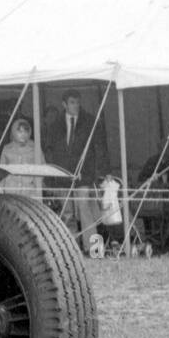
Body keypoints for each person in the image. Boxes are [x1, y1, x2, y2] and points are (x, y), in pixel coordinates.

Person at [43, 88, 110, 247]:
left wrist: (102, 173)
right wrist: (53, 174)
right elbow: (49, 150)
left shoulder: (91, 122)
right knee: (67, 214)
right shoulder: (54, 125)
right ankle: (72, 250)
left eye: (78, 102)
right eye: (72, 103)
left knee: (85, 208)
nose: (76, 106)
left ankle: (94, 250)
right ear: (64, 104)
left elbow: (100, 148)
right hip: (63, 175)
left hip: (84, 175)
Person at [0, 117, 42, 199]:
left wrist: (36, 188)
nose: (23, 134)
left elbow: (42, 169)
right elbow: (1, 171)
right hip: (10, 190)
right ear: (14, 132)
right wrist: (0, 188)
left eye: (25, 131)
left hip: (29, 192)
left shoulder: (35, 148)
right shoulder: (7, 149)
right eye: (19, 131)